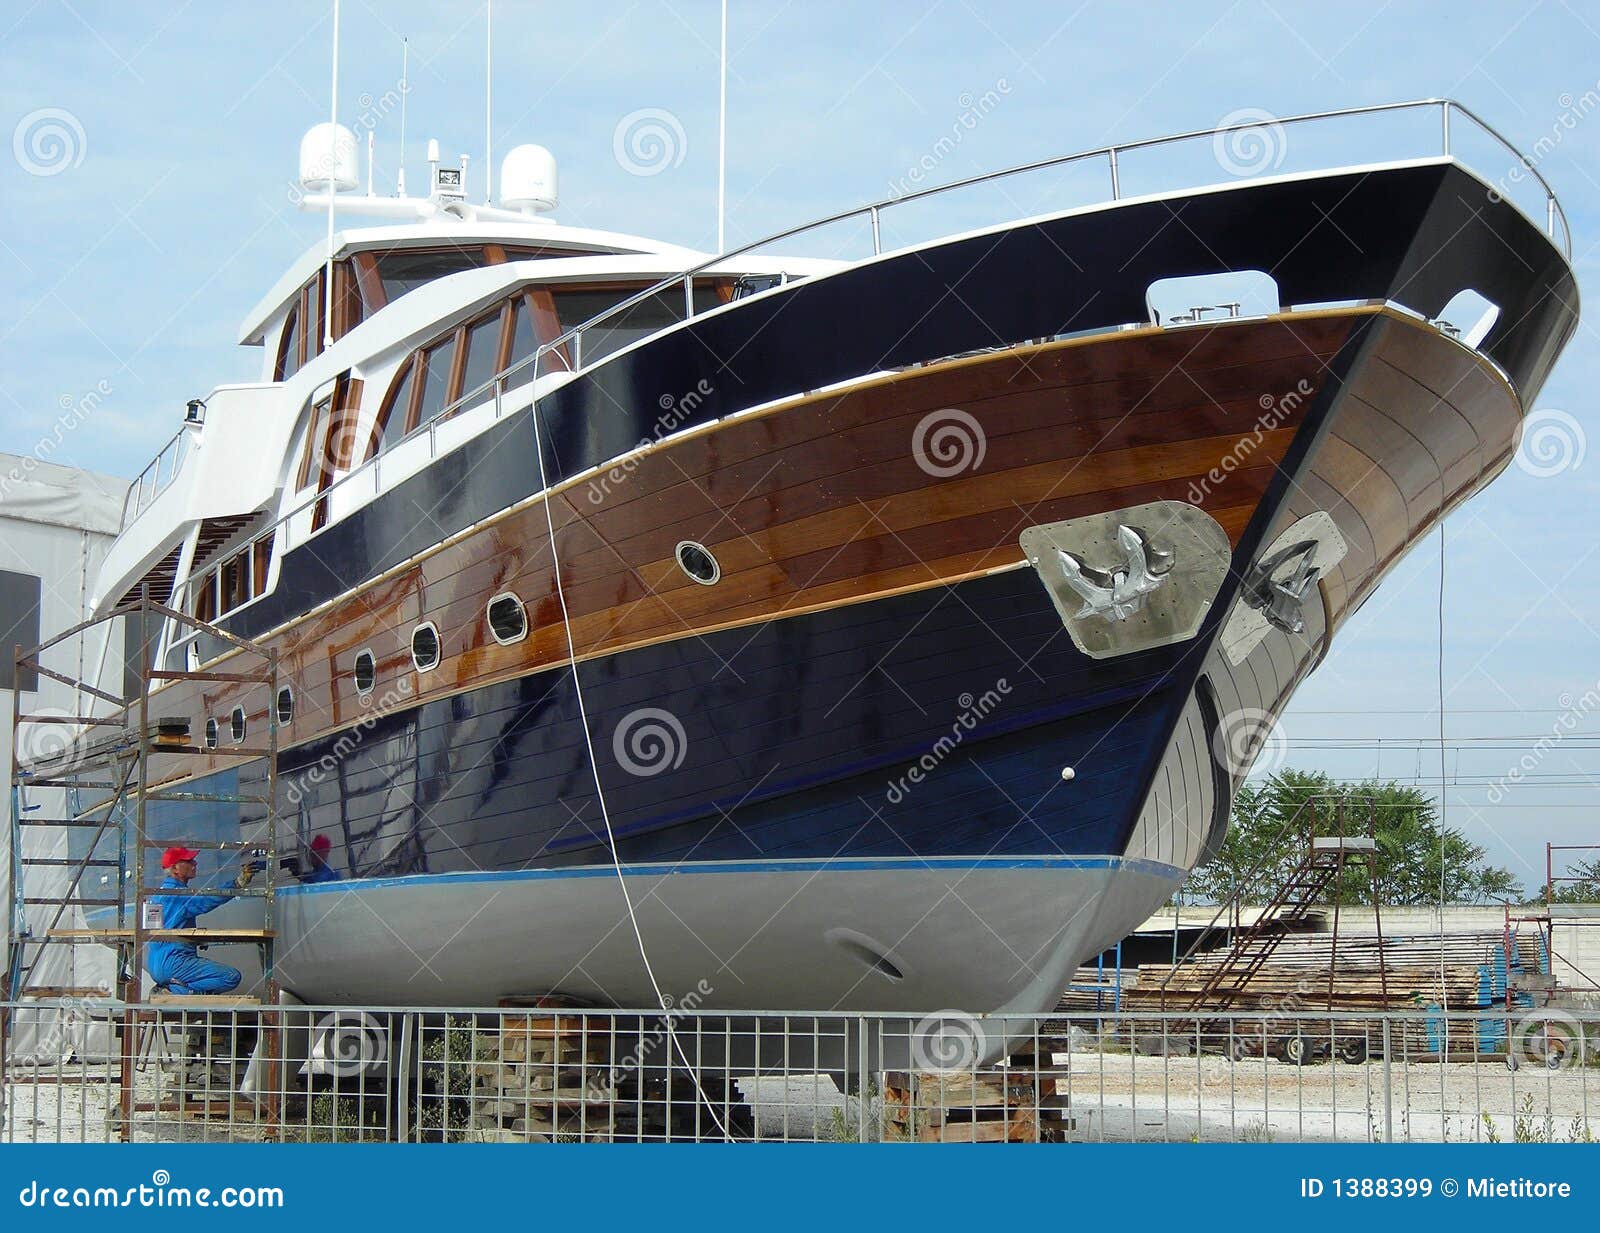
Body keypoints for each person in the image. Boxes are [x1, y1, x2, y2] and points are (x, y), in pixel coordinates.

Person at [147, 846, 253, 995]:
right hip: (176, 962)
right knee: (230, 977)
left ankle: (172, 988)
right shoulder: (180, 895)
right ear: (175, 868)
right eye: (189, 861)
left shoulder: (154, 897)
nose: (195, 863)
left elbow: (153, 930)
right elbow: (207, 900)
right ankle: (176, 991)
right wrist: (236, 884)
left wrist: (191, 938)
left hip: (154, 964)